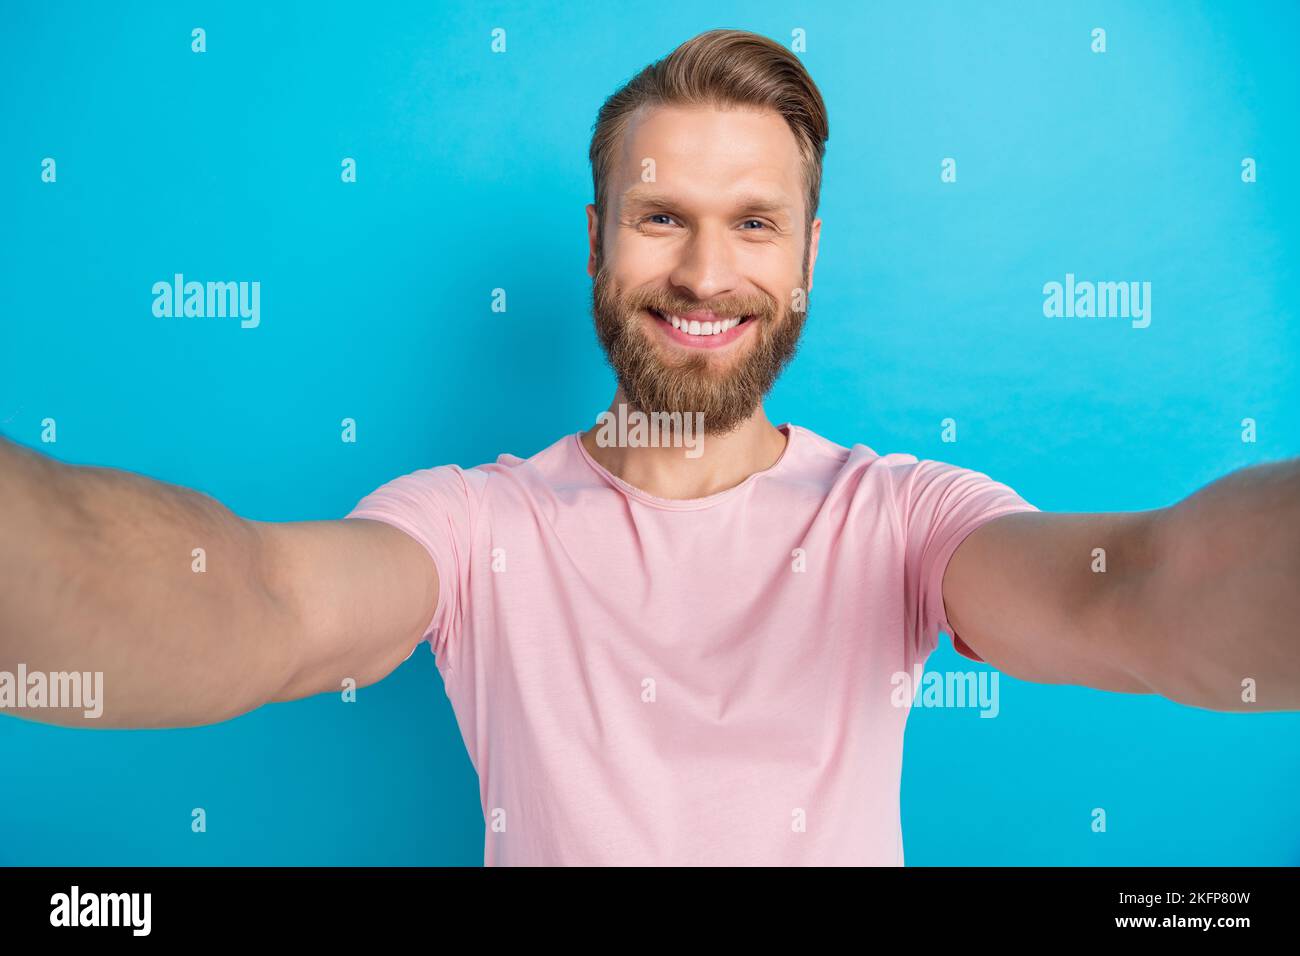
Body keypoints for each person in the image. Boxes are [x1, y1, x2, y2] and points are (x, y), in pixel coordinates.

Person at [2, 29, 1297, 866]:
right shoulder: (473, 525)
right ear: (596, 241)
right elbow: (259, 602)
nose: (704, 272)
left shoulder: (900, 518)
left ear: (807, 260)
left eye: (752, 223)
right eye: (661, 216)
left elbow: (1138, 588)